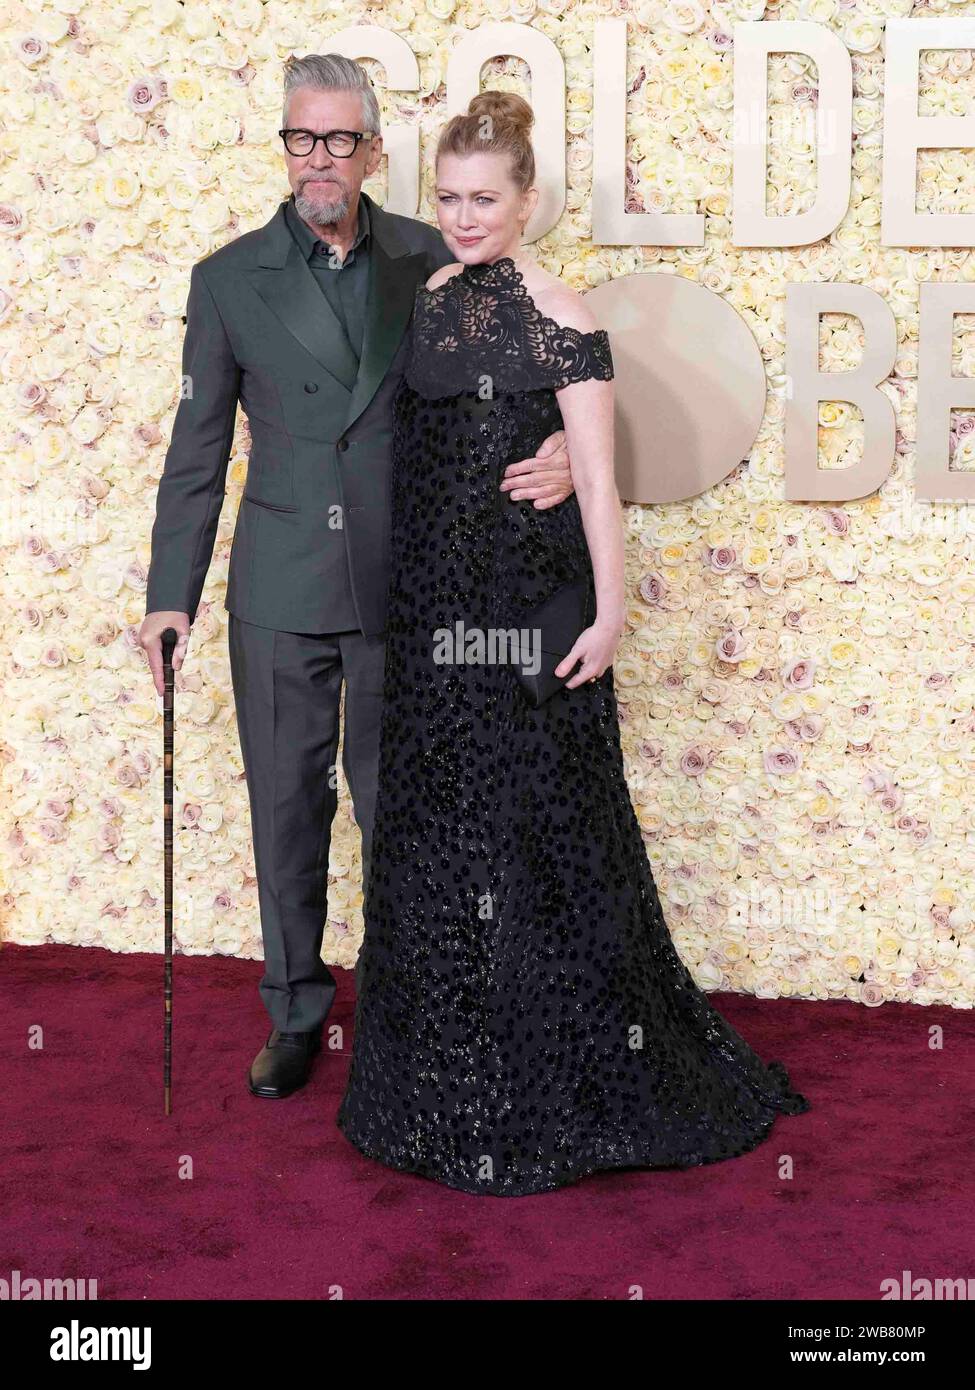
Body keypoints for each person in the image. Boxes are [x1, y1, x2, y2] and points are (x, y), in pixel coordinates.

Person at [336, 91, 810, 1197]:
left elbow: (597, 479)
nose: (463, 217)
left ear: (528, 202)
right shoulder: (431, 294)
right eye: (448, 198)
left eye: (484, 199)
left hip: (526, 607)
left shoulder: (561, 311)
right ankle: (443, 1081)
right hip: (431, 612)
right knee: (440, 833)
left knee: (531, 841)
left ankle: (557, 1078)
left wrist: (611, 611)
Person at [138, 55, 579, 1100]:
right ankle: (296, 1010)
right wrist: (170, 595)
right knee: (287, 810)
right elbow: (195, 453)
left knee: (404, 813)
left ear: (376, 151)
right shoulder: (227, 278)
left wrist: (564, 444)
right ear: (285, 149)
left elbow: (515, 376)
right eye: (302, 138)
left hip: (403, 587)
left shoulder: (432, 255)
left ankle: (407, 1009)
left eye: (341, 139)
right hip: (280, 596)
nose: (319, 159)